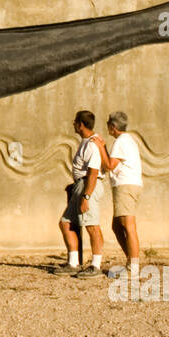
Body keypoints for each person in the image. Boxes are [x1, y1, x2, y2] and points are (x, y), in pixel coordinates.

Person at [52, 110, 106, 275]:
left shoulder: (91, 145)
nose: (73, 125)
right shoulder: (86, 142)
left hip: (88, 186)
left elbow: (93, 173)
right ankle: (73, 263)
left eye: (75, 122)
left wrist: (86, 196)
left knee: (91, 225)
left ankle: (95, 266)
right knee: (66, 223)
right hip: (80, 186)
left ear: (81, 125)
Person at [92, 111, 143, 278]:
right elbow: (112, 161)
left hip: (125, 186)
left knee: (128, 226)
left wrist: (99, 146)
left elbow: (108, 165)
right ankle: (131, 261)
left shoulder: (121, 142)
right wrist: (104, 147)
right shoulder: (125, 141)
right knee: (117, 226)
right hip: (127, 185)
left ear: (113, 127)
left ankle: (133, 267)